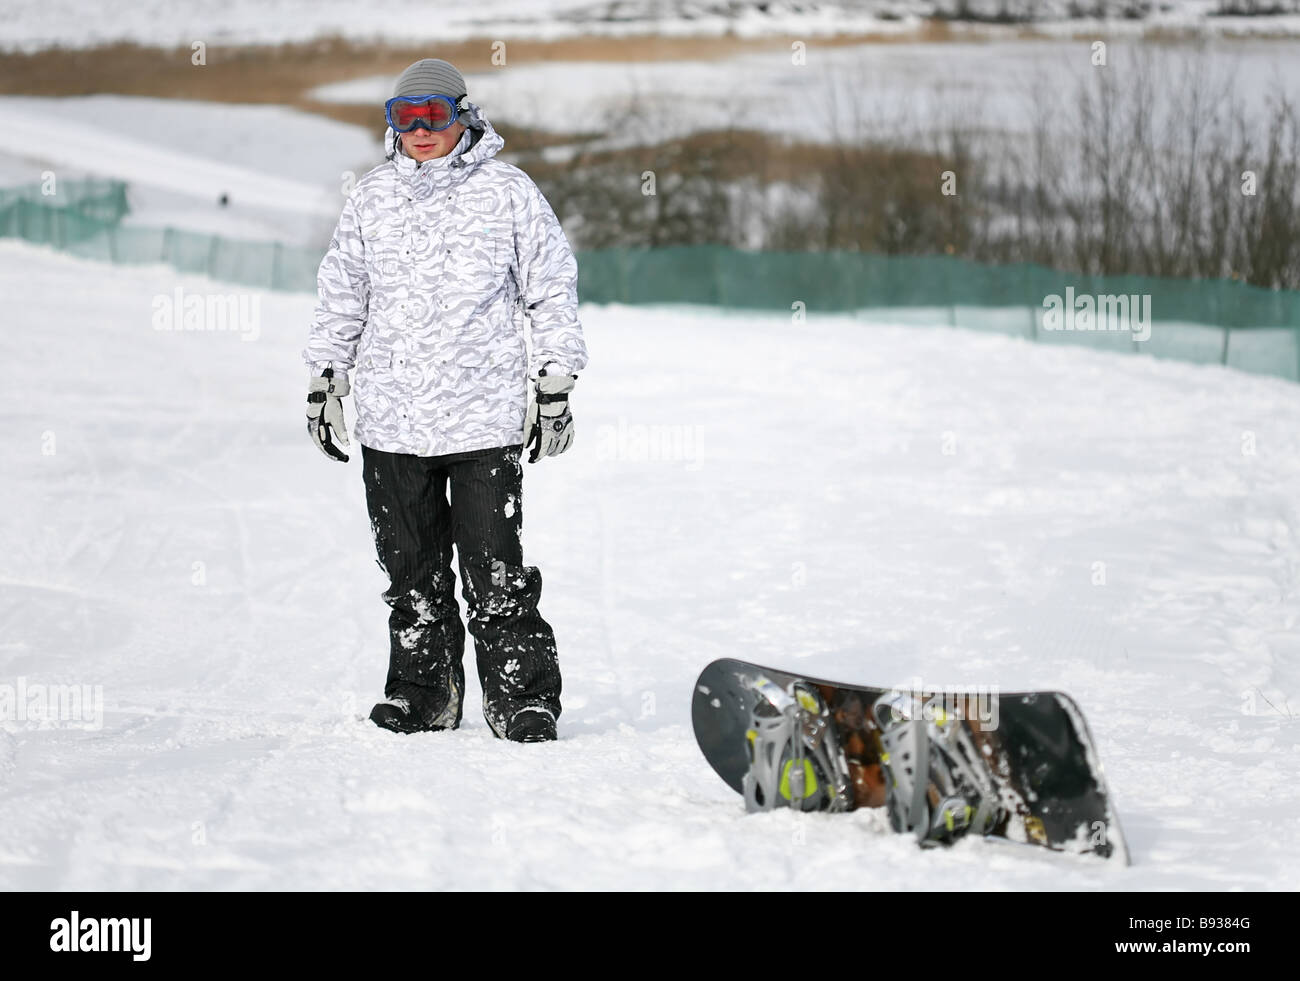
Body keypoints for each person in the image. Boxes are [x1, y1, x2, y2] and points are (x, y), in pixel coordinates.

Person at [302, 58, 588, 743]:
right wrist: (325, 378)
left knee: (496, 573)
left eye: (434, 114)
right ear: (391, 124)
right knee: (411, 575)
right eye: (406, 117)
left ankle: (522, 698)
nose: (421, 130)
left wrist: (554, 383)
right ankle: (423, 694)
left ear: (464, 114)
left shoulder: (508, 192)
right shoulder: (371, 198)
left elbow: (551, 287)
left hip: (482, 418)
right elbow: (343, 293)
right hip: (392, 420)